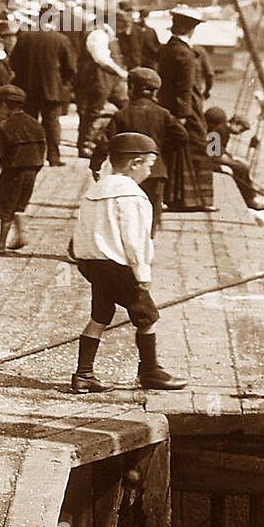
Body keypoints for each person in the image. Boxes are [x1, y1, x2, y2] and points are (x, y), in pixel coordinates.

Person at [69, 132, 186, 393]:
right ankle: (150, 372)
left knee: (100, 316)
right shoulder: (133, 196)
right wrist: (142, 273)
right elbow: (135, 240)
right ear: (135, 163)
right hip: (118, 265)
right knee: (148, 317)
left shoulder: (95, 191)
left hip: (93, 263)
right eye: (149, 165)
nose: (149, 170)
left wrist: (82, 257)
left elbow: (81, 230)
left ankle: (84, 374)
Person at [90, 67, 187, 234]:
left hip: (127, 171)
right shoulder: (163, 114)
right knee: (152, 209)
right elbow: (182, 136)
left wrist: (95, 165)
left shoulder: (121, 115)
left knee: (127, 208)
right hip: (155, 170)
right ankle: (147, 243)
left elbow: (105, 143)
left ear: (131, 88)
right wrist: (160, 151)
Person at [0, 84, 46, 253]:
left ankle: (1, 244)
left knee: (5, 205)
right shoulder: (34, 123)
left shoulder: (6, 126)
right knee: (19, 204)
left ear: (4, 105)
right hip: (32, 170)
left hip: (13, 170)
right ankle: (20, 235)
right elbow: (42, 148)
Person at [158, 8, 212, 211]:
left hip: (168, 107)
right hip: (188, 110)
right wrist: (183, 115)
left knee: (174, 151)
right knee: (199, 146)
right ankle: (195, 199)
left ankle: (173, 196)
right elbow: (185, 88)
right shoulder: (186, 54)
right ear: (191, 29)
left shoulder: (166, 49)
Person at [8, 3, 76, 166]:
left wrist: (23, 77)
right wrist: (62, 82)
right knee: (52, 124)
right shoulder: (60, 39)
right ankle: (53, 157)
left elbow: (14, 62)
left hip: (27, 88)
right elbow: (70, 67)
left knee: (29, 123)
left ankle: (29, 156)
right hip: (52, 90)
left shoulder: (25, 36)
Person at [74, 21, 129, 158]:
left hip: (108, 78)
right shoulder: (98, 34)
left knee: (124, 105)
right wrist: (120, 72)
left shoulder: (103, 33)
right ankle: (87, 144)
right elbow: (101, 59)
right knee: (94, 110)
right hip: (99, 77)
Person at [203, 106, 264, 218]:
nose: (239, 133)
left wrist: (233, 159)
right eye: (241, 130)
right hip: (210, 161)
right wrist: (230, 163)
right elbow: (214, 153)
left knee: (241, 165)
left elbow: (219, 150)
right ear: (235, 123)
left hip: (212, 158)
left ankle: (251, 195)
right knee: (241, 168)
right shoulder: (220, 130)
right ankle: (250, 199)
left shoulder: (222, 130)